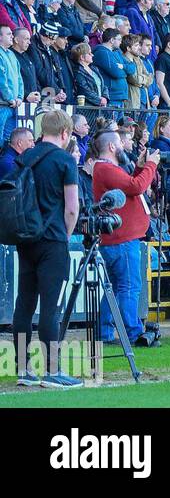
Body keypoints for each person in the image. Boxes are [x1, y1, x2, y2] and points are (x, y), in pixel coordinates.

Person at [11, 109, 82, 388]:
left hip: (25, 237)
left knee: (24, 304)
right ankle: (53, 370)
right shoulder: (65, 160)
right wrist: (65, 235)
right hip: (53, 240)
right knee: (50, 307)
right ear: (65, 133)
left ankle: (22, 369)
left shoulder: (25, 157)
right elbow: (72, 208)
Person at [90, 129, 160, 346]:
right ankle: (133, 333)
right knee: (128, 287)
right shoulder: (105, 168)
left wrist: (140, 167)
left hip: (118, 239)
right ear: (112, 147)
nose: (123, 146)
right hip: (122, 239)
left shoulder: (105, 169)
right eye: (120, 142)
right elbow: (136, 186)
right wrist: (151, 165)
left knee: (114, 288)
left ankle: (104, 332)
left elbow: (130, 184)